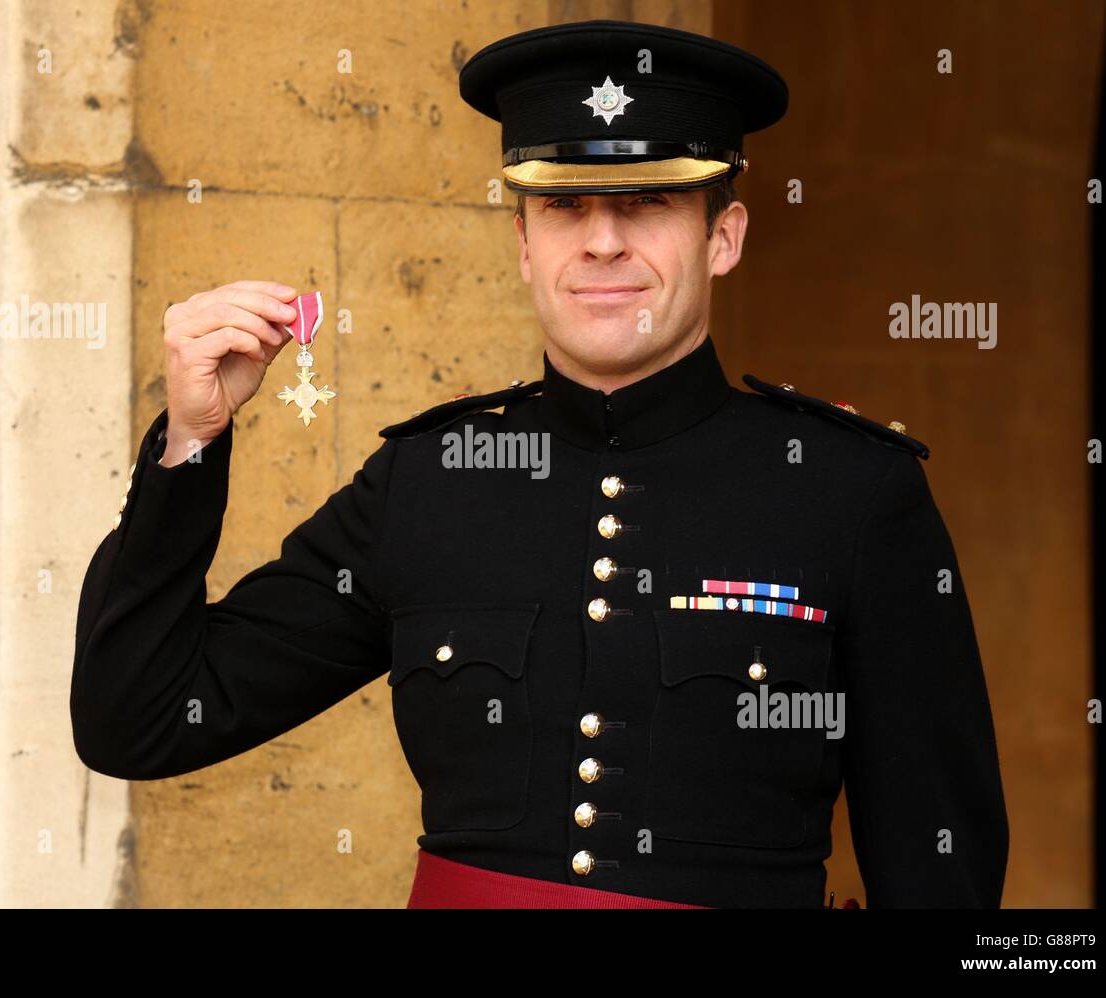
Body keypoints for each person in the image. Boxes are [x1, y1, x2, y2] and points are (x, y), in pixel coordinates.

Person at [71, 19, 1008, 908]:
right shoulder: (427, 483)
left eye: (648, 202)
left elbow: (939, 864)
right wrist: (190, 444)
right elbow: (139, 720)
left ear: (723, 238)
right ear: (523, 243)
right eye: (564, 206)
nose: (603, 241)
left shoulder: (851, 493)